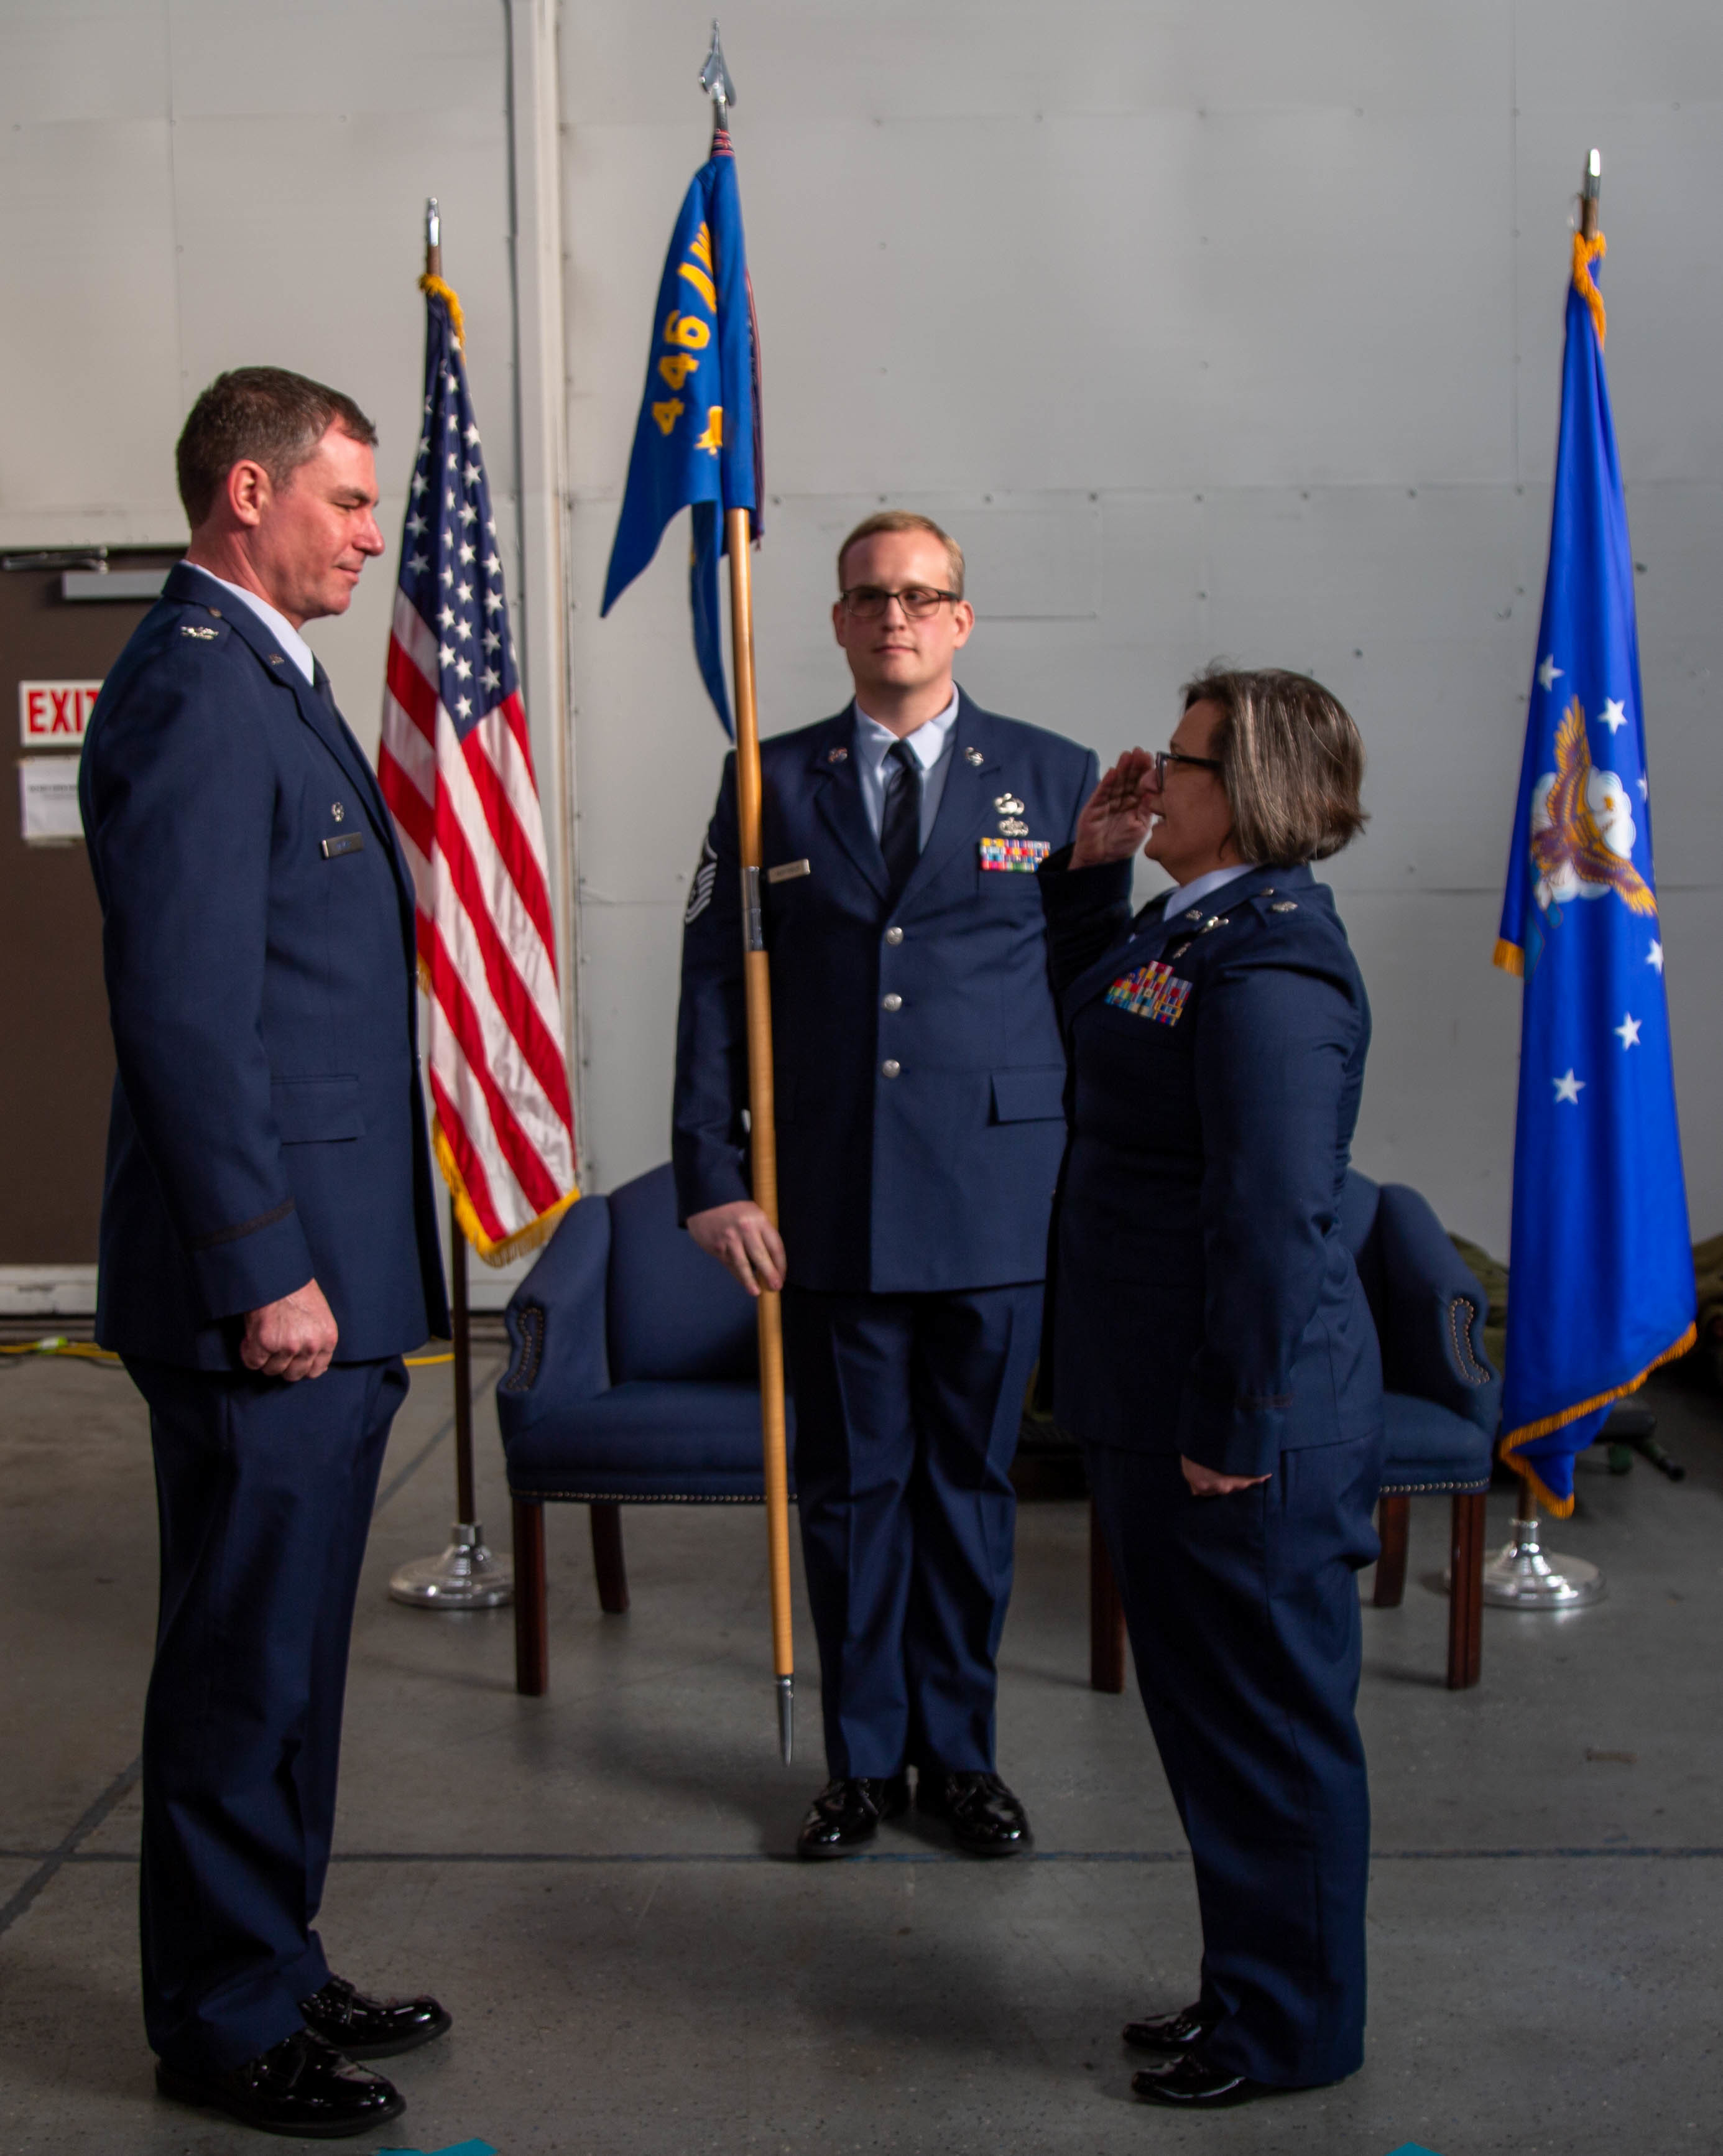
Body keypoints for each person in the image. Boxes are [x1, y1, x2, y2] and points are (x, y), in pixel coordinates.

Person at [81, 368, 452, 2139]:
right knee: (241, 1665)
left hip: (336, 1276)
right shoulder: (194, 688)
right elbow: (186, 1018)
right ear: (250, 493)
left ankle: (277, 1959)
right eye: (350, 502)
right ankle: (224, 2019)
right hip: (268, 1290)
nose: (374, 536)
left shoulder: (262, 680)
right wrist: (260, 1265)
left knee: (292, 1657)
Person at [674, 511, 1096, 1859]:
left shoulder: (1057, 775)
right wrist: (712, 1172)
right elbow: (708, 992)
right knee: (855, 1493)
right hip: (831, 1200)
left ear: (962, 619)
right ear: (841, 621)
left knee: (971, 1491)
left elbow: (1093, 984)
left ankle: (961, 1759)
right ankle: (864, 1765)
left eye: (923, 596)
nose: (897, 617)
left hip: (993, 1196)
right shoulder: (765, 780)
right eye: (872, 597)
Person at [1037, 668, 1380, 2110]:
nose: (1148, 775)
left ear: (1246, 789)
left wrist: (1238, 1421)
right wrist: (1089, 880)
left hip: (1241, 1417)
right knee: (1216, 1734)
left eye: (1175, 764)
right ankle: (1250, 1990)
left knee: (1271, 1740)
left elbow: (1276, 1209)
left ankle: (1290, 2034)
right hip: (1163, 1392)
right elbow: (1098, 1032)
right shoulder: (1203, 930)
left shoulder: (1277, 960)